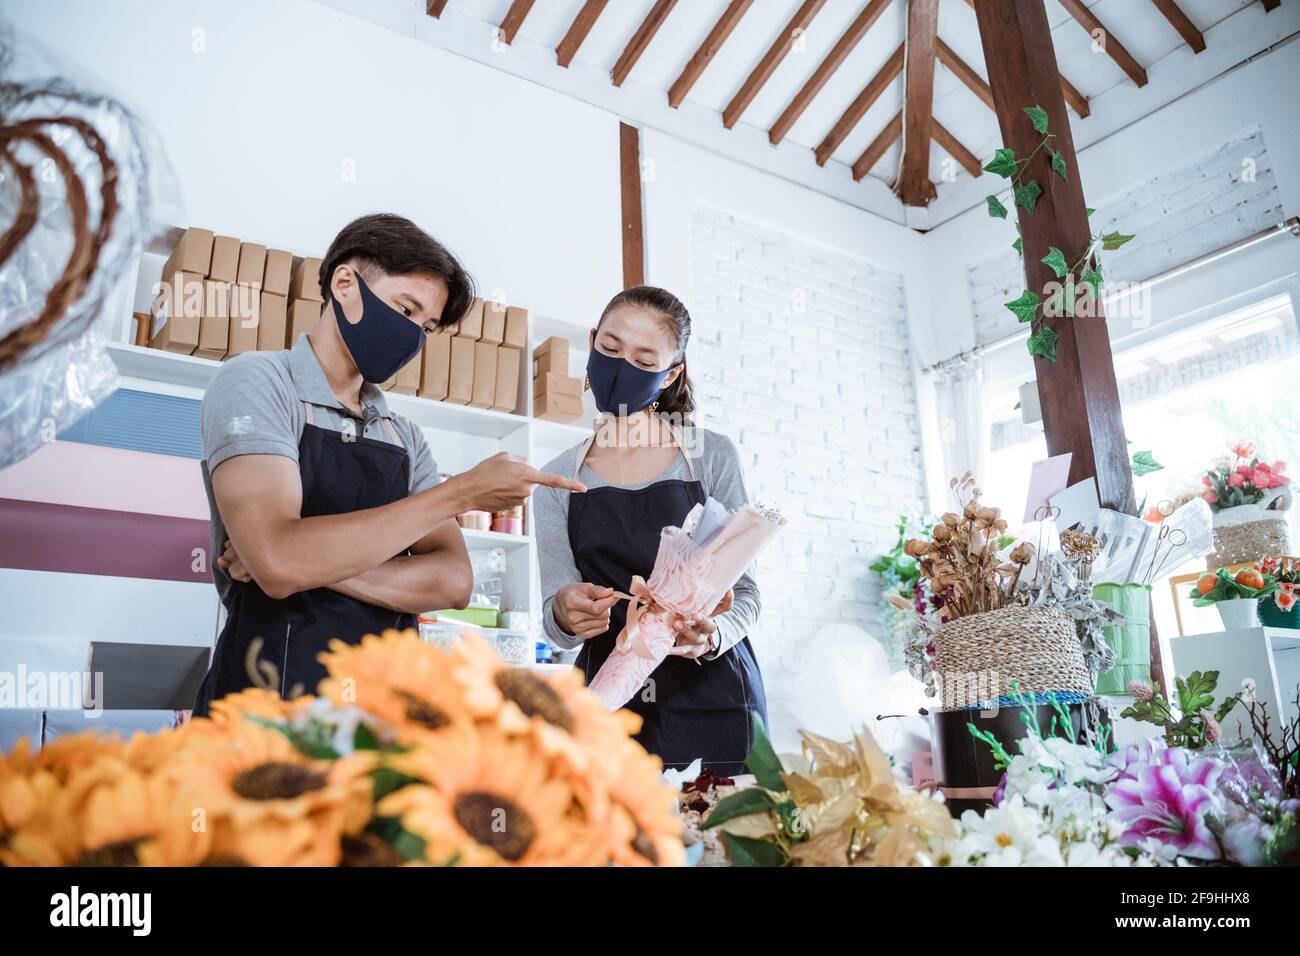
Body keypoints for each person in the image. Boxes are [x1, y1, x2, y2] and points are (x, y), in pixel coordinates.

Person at [191, 213, 583, 714]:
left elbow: (452, 581)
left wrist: (299, 563)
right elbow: (280, 561)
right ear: (345, 284)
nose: (414, 337)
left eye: (426, 327)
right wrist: (458, 493)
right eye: (405, 309)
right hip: (265, 706)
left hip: (383, 714)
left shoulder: (403, 436)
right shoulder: (258, 384)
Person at [534, 286, 767, 775]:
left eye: (644, 360)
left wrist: (713, 635)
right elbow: (556, 623)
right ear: (593, 343)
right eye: (611, 349)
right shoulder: (557, 480)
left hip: (715, 693)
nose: (621, 368)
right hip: (611, 700)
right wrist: (564, 610)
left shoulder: (710, 458)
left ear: (671, 374)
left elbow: (745, 592)